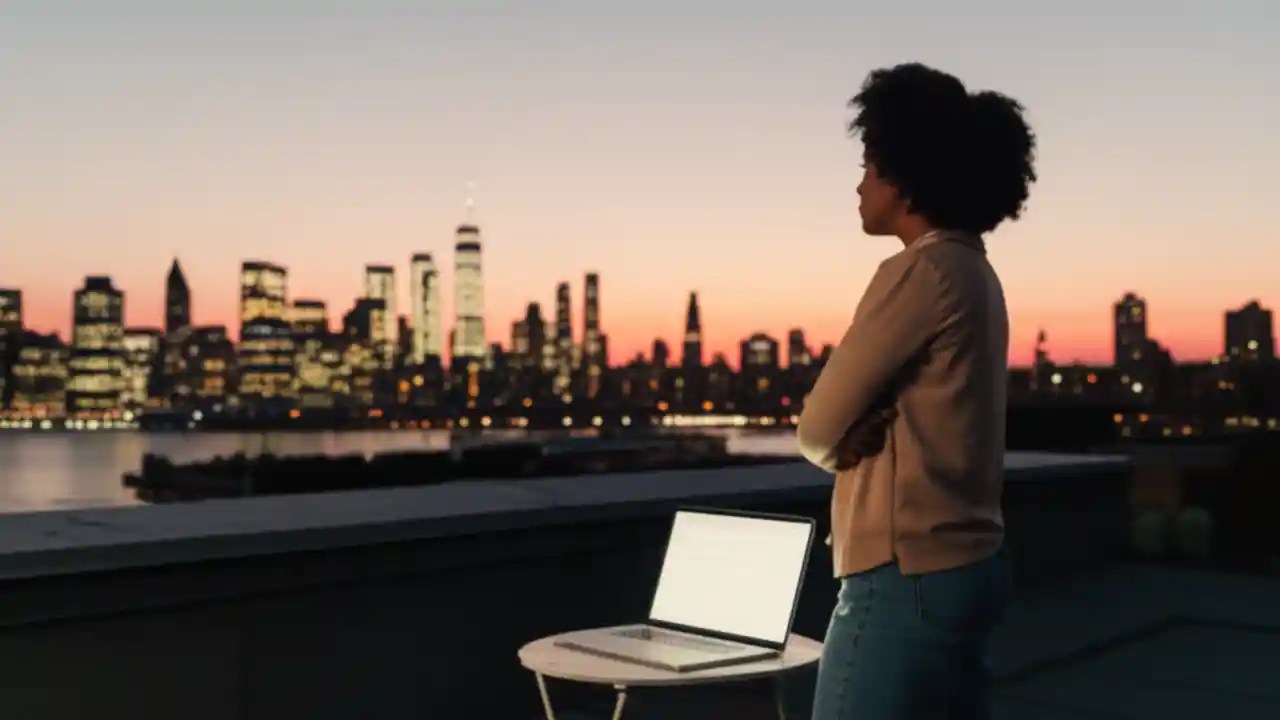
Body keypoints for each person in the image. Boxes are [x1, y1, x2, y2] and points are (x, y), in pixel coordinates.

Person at [796, 62, 1037, 719]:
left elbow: (816, 430)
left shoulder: (920, 270)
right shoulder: (976, 271)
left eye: (870, 166)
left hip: (903, 575)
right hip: (971, 562)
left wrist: (845, 440)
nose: (860, 183)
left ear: (906, 178)